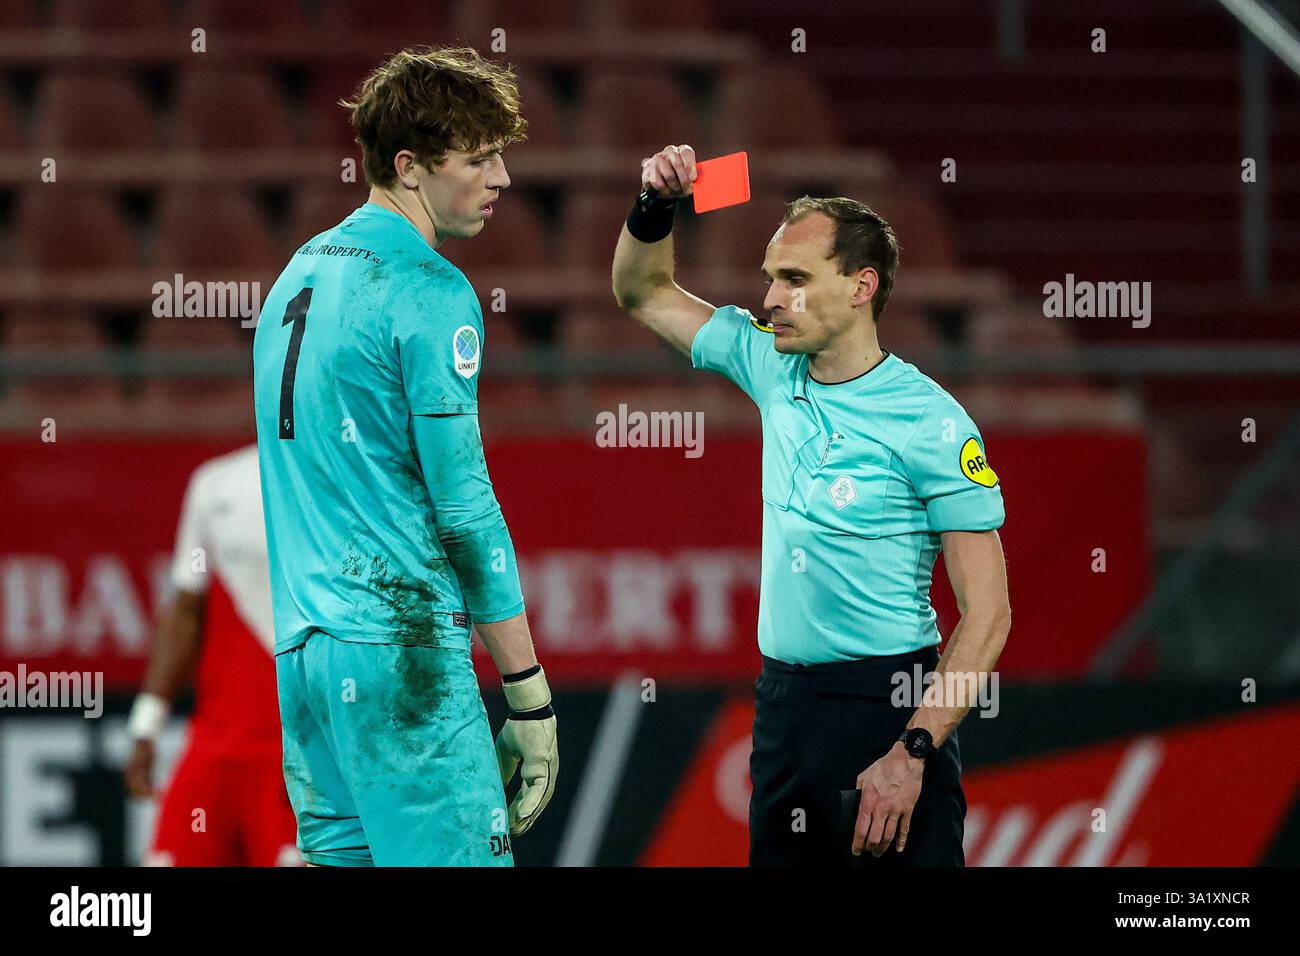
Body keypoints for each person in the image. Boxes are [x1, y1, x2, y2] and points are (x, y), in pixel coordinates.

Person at [612, 144, 1011, 865]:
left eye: (794, 280)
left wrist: (913, 751)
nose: (769, 300)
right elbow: (642, 292)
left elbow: (989, 612)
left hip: (887, 707)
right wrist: (655, 203)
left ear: (862, 286)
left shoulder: (932, 422)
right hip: (786, 712)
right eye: (770, 279)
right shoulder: (770, 360)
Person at [252, 46, 556, 867]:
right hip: (402, 659)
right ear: (410, 166)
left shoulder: (292, 277)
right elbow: (463, 510)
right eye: (479, 158)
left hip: (307, 664)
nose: (500, 179)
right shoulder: (431, 288)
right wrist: (528, 697)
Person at [124, 444, 300, 866]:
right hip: (214, 747)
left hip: (300, 750)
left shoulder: (353, 474)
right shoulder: (217, 483)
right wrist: (146, 725)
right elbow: (187, 610)